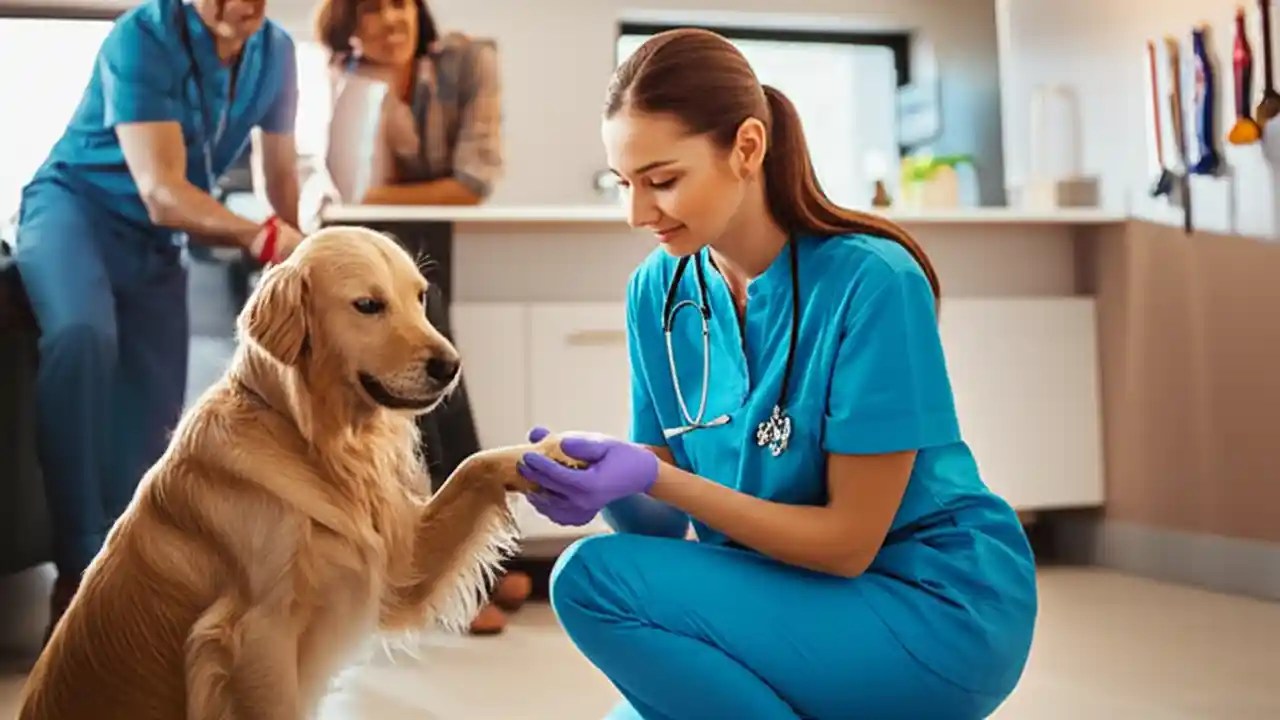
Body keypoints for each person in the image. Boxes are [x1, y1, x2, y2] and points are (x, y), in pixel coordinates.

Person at [514, 28, 1039, 720]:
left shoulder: (872, 281)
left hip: (933, 603)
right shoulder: (658, 291)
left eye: (664, 180)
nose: (638, 213)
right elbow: (661, 531)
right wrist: (600, 484)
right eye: (625, 184)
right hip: (789, 596)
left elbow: (849, 544)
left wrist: (656, 476)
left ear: (748, 148)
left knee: (586, 581)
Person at [13, 0, 305, 640]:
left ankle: (126, 587)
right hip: (74, 210)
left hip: (155, 244)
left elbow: (279, 170)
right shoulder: (140, 37)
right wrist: (261, 237)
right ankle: (73, 570)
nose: (239, 6)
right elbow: (162, 190)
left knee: (153, 415)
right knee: (83, 337)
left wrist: (303, 251)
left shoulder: (276, 51)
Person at [310, 0, 526, 636]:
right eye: (370, 9)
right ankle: (451, 577)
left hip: (420, 232)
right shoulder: (341, 77)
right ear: (347, 25)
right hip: (358, 239)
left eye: (399, 3)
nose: (390, 21)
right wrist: (364, 90)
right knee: (406, 404)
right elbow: (344, 179)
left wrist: (374, 197)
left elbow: (472, 180)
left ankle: (482, 564)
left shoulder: (468, 60)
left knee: (439, 386)